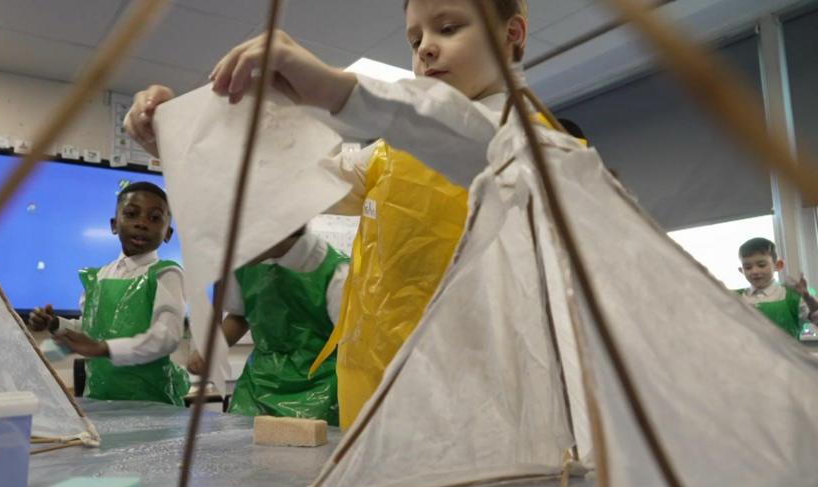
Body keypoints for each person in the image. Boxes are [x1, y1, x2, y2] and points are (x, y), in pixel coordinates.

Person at [125, 0, 534, 427]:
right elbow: (280, 181)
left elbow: (470, 140)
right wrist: (178, 141)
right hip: (380, 394)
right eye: (416, 40)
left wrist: (336, 89)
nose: (426, 49)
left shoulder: (533, 145)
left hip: (484, 405)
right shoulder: (387, 156)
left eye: (448, 28)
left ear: (513, 34)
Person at [28, 181, 191, 405]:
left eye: (154, 218)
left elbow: (166, 337)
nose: (142, 224)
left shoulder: (166, 273)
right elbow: (92, 329)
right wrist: (55, 324)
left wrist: (103, 348)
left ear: (168, 233)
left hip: (150, 401)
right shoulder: (99, 276)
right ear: (114, 225)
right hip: (99, 398)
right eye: (132, 214)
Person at [201, 226, 349, 425]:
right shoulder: (245, 266)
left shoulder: (337, 272)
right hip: (257, 386)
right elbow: (240, 316)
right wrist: (211, 349)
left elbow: (354, 346)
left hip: (319, 389)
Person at [736, 237, 818, 340]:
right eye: (748, 267)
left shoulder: (792, 297)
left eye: (761, 265)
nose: (754, 271)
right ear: (741, 270)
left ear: (778, 265)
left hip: (785, 356)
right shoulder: (735, 298)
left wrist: (808, 298)